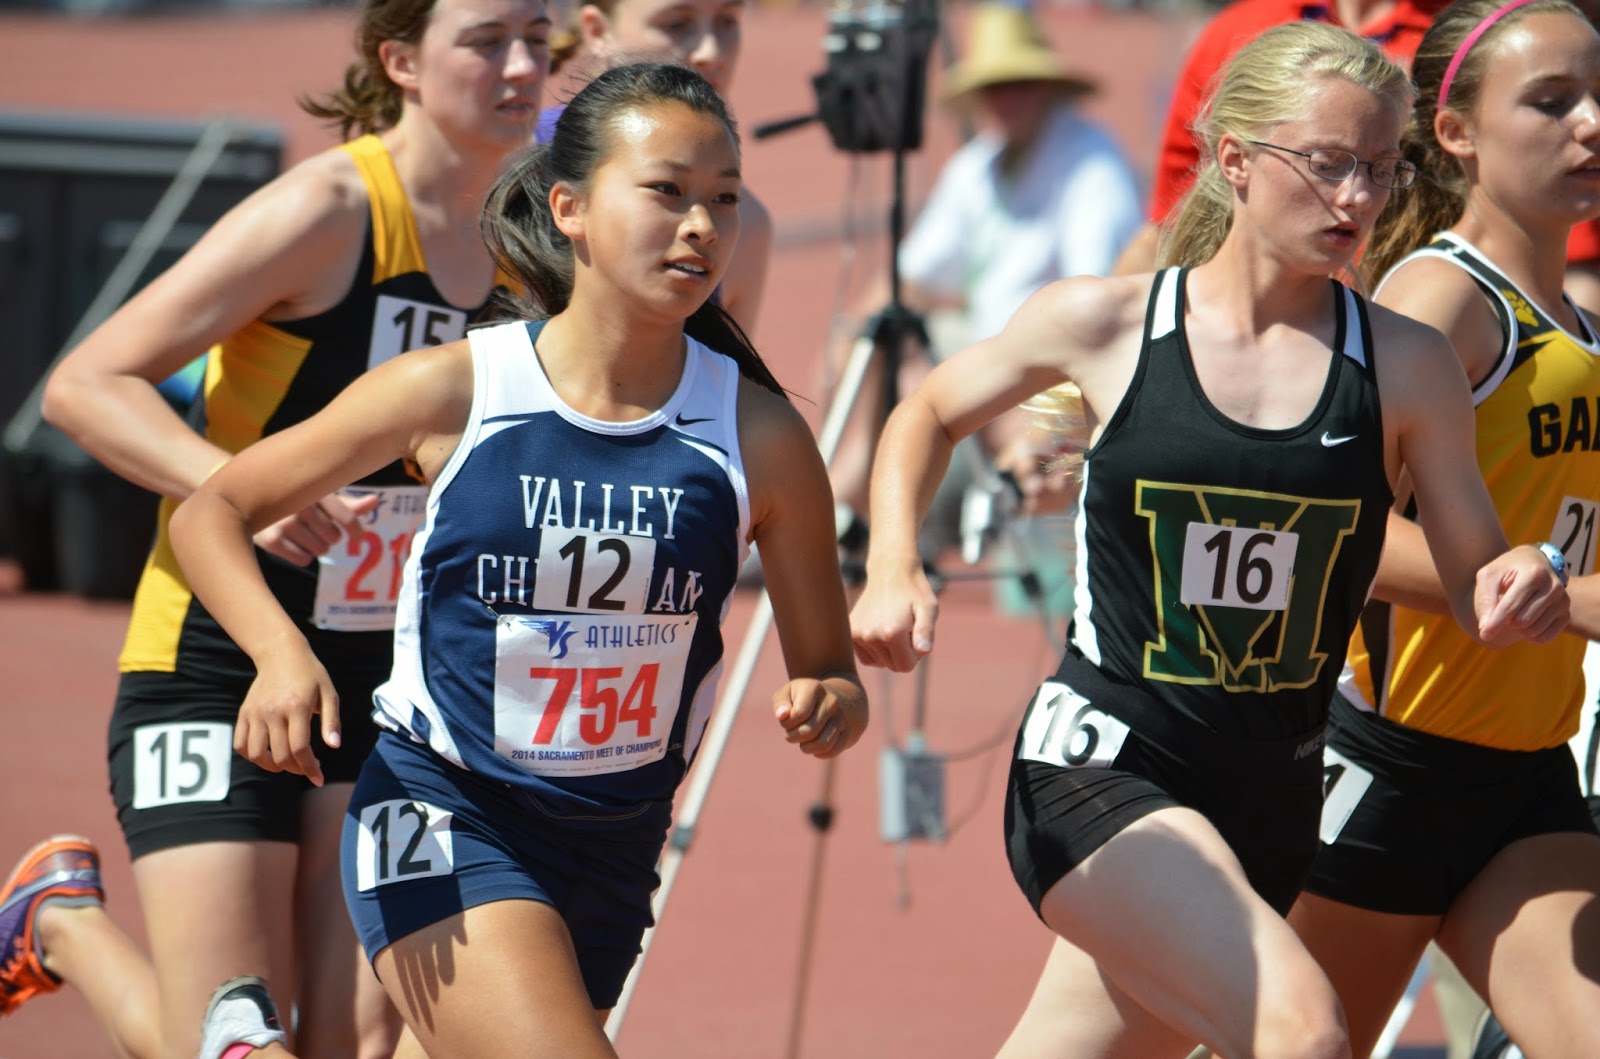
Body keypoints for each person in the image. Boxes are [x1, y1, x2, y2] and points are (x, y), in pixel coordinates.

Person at [848, 20, 1571, 1059]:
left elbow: (1475, 579)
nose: (1359, 200)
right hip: (1104, 765)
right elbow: (925, 413)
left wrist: (1518, 585)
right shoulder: (1105, 324)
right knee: (1304, 1030)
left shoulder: (1405, 367)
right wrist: (890, 569)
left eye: (1378, 168)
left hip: (1271, 799)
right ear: (1233, 161)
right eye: (1327, 166)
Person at [166, 61, 869, 1059]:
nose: (702, 226)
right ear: (569, 208)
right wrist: (280, 656)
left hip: (614, 849)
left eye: (722, 199)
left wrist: (828, 702)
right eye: (665, 192)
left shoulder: (757, 435)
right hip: (442, 809)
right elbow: (214, 508)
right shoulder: (457, 389)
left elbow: (828, 669)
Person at [1, 0, 551, 1056]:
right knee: (235, 1042)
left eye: (538, 38)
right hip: (219, 660)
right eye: (486, 41)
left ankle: (54, 924)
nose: (522, 65)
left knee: (357, 1047)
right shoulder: (332, 209)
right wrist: (244, 490)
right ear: (402, 60)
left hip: (393, 683)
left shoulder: (535, 240)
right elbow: (84, 385)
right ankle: (62, 926)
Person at [1284, 3, 1600, 1058]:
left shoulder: (1582, 329)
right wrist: (1519, 595)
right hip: (1390, 773)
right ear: (1456, 132)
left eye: (1598, 96)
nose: (1591, 124)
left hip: (1524, 779)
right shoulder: (1441, 301)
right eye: (1551, 103)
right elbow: (1336, 529)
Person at [831, 1, 1142, 618]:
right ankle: (845, 506)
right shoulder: (980, 163)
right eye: (992, 87)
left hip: (1057, 372)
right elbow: (910, 276)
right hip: (987, 351)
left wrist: (1040, 400)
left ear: (1047, 88)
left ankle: (895, 518)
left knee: (942, 379)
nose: (1004, 100)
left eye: (1018, 84)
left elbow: (1104, 301)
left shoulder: (1091, 167)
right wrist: (846, 341)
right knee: (884, 338)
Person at [536, 0, 770, 331]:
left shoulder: (748, 225)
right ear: (598, 30)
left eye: (727, 21)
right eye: (677, 23)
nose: (711, 51)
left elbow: (730, 377)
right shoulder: (508, 173)